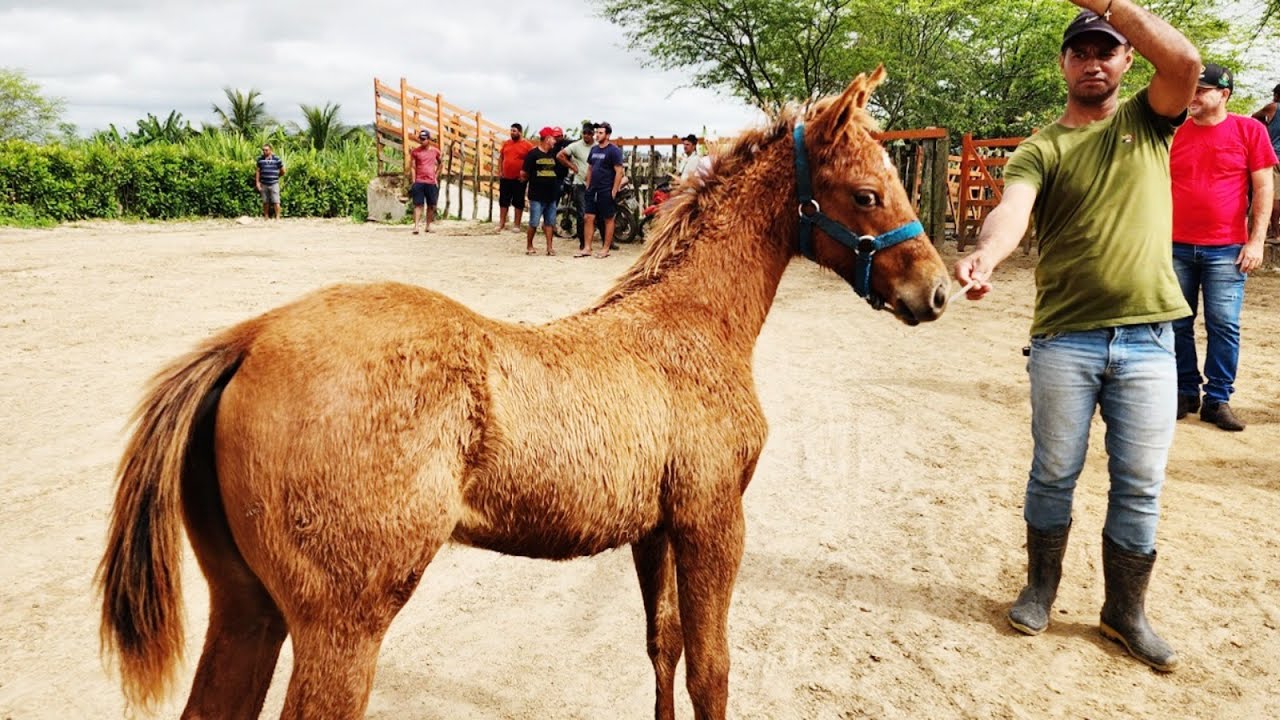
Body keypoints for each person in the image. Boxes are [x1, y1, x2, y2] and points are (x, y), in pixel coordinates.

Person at [953, 0, 1200, 672]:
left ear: (1124, 61)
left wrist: (1111, 6)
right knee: (1054, 472)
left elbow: (1183, 62)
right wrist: (987, 256)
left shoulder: (1148, 122)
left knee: (1141, 482)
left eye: (1106, 49)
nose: (1093, 60)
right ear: (1064, 63)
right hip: (1066, 339)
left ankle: (1124, 611)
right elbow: (1012, 212)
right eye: (1081, 51)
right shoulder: (1042, 148)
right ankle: (1041, 587)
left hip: (1151, 339)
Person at [1170, 64, 1277, 431]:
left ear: (1224, 94)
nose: (1193, 96)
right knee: (1176, 322)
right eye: (1190, 89)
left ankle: (1218, 399)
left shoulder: (1250, 130)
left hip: (1226, 248)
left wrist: (1256, 240)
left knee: (1224, 325)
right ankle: (1185, 391)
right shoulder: (1173, 132)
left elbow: (1263, 188)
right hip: (1174, 245)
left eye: (1202, 90)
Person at [578, 121, 625, 258]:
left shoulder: (614, 151)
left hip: (606, 189)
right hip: (592, 189)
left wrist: (614, 190)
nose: (597, 135)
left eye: (600, 133)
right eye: (596, 133)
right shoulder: (594, 150)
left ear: (608, 135)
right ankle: (587, 248)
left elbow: (619, 171)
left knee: (608, 219)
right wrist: (588, 184)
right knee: (588, 217)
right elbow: (590, 168)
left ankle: (605, 248)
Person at [522, 127, 562, 256]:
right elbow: (524, 172)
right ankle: (529, 245)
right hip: (537, 195)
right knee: (534, 222)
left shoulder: (553, 154)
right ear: (547, 139)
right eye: (552, 139)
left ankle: (549, 248)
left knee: (549, 222)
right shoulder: (533, 154)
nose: (554, 141)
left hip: (551, 194)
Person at [557, 121, 595, 249]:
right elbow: (560, 155)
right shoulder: (576, 146)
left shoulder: (597, 147)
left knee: (598, 213)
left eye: (589, 133)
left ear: (593, 134)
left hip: (596, 184)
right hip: (580, 183)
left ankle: (607, 242)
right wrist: (573, 166)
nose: (586, 135)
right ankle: (583, 243)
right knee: (582, 214)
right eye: (584, 133)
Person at [1251, 83, 1280, 238]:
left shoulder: (1273, 107)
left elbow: (1254, 117)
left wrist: (1266, 126)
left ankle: (1275, 231)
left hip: (1275, 156)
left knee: (1274, 195)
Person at [497, 123, 534, 232]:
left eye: (514, 131)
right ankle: (501, 223)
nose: (512, 133)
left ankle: (516, 225)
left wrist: (526, 175)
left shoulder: (527, 145)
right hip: (505, 177)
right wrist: (500, 171)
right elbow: (501, 157)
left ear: (520, 132)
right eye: (511, 130)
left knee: (518, 202)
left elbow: (531, 160)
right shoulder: (506, 143)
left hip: (519, 179)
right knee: (503, 201)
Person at [409, 129, 442, 234]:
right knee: (418, 205)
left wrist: (436, 176)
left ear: (429, 139)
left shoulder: (435, 151)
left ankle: (428, 226)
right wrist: (414, 181)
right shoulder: (415, 152)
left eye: (423, 139)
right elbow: (413, 167)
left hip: (431, 182)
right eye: (420, 139)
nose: (421, 141)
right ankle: (416, 226)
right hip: (419, 181)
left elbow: (441, 164)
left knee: (431, 205)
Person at [254, 144, 285, 220]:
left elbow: (283, 171)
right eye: (263, 150)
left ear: (271, 150)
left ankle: (277, 217)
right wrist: (257, 183)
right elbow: (258, 171)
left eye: (266, 150)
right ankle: (266, 216)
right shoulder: (260, 159)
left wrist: (277, 176)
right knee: (265, 201)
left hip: (274, 183)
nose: (264, 151)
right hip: (264, 183)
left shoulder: (277, 159)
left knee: (276, 201)